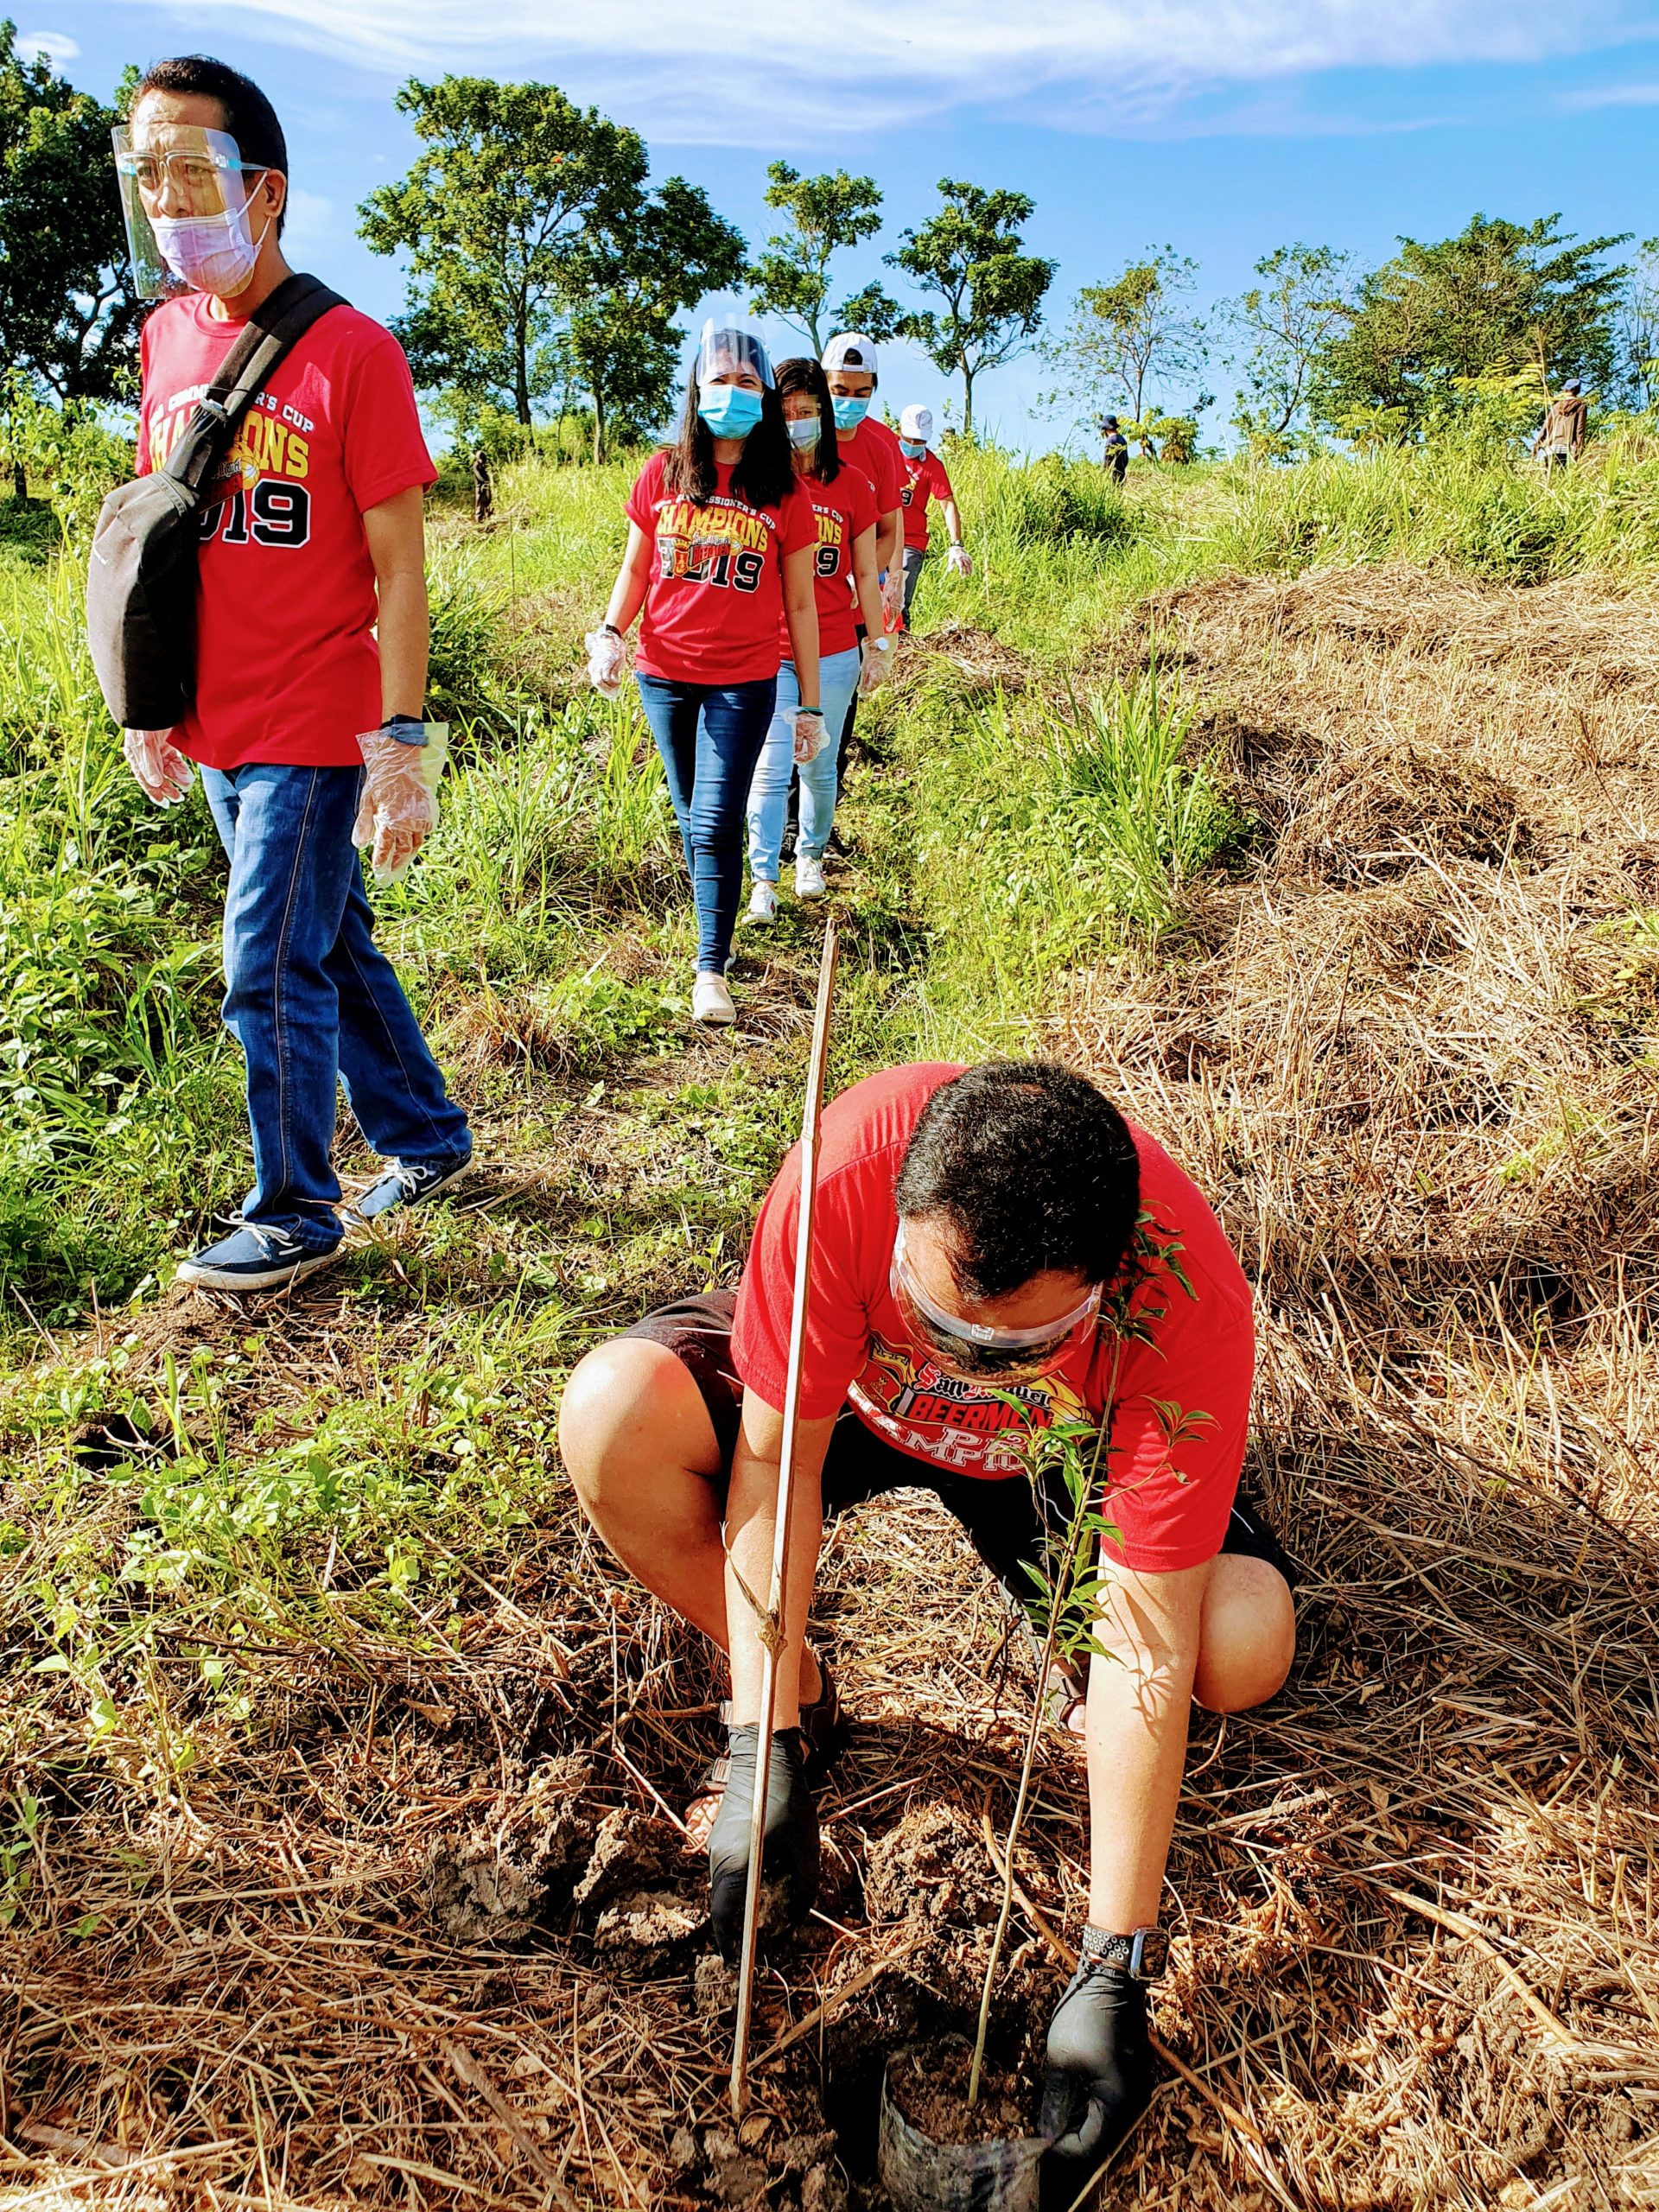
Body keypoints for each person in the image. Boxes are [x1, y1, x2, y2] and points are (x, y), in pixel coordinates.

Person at [560, 1058, 1299, 2183]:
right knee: (613, 1415)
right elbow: (774, 1464)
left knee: (1241, 1642)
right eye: (935, 1318)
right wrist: (762, 1734)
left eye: (1007, 1348)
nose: (962, 1367)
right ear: (899, 1219)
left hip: (1044, 1455)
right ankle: (806, 1694)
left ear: (1108, 1283)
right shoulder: (841, 1185)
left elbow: (1148, 1639)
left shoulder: (1183, 1293)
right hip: (850, 1405)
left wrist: (1114, 1963)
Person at [118, 56, 472, 1294]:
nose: (170, 201)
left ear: (264, 191)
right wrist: (150, 707)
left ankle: (294, 1212)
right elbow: (162, 541)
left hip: (317, 715)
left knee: (266, 959)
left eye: (193, 172)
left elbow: (400, 573)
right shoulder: (163, 339)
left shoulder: (352, 351)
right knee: (332, 944)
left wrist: (402, 741)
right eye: (148, 173)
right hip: (215, 715)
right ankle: (427, 1135)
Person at [589, 313, 821, 1025]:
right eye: (721, 378)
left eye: (748, 381)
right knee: (693, 813)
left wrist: (809, 704)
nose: (735, 390)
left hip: (743, 681)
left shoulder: (784, 492)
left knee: (717, 817)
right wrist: (609, 631)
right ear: (696, 387)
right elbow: (635, 566)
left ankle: (710, 969)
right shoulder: (662, 473)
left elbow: (803, 608)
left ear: (765, 399)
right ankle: (712, 912)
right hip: (662, 673)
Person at [744, 359, 887, 918]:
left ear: (823, 417)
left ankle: (810, 855)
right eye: (785, 414)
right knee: (771, 764)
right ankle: (763, 877)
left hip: (831, 652)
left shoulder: (851, 485)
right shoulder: (762, 486)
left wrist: (876, 643)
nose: (797, 422)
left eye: (807, 411)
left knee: (818, 766)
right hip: (772, 650)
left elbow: (868, 574)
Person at [896, 404, 970, 622]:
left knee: (899, 601)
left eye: (918, 441)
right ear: (899, 430)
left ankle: (903, 649)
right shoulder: (885, 448)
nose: (912, 445)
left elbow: (947, 504)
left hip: (910, 541)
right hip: (878, 534)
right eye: (908, 438)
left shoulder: (932, 466)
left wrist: (957, 544)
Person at [1534, 379, 1587, 471]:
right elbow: (1580, 430)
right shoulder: (1581, 407)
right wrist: (1578, 451)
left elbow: (1546, 427)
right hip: (1567, 448)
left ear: (1565, 390)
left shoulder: (1556, 406)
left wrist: (1537, 447)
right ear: (1578, 390)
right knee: (1563, 478)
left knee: (1550, 479)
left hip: (1550, 448)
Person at [1100, 415, 1129, 484]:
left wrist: (1102, 473)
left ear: (1106, 429)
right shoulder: (1123, 439)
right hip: (1121, 475)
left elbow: (1107, 460)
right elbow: (1126, 460)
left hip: (1111, 476)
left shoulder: (1110, 440)